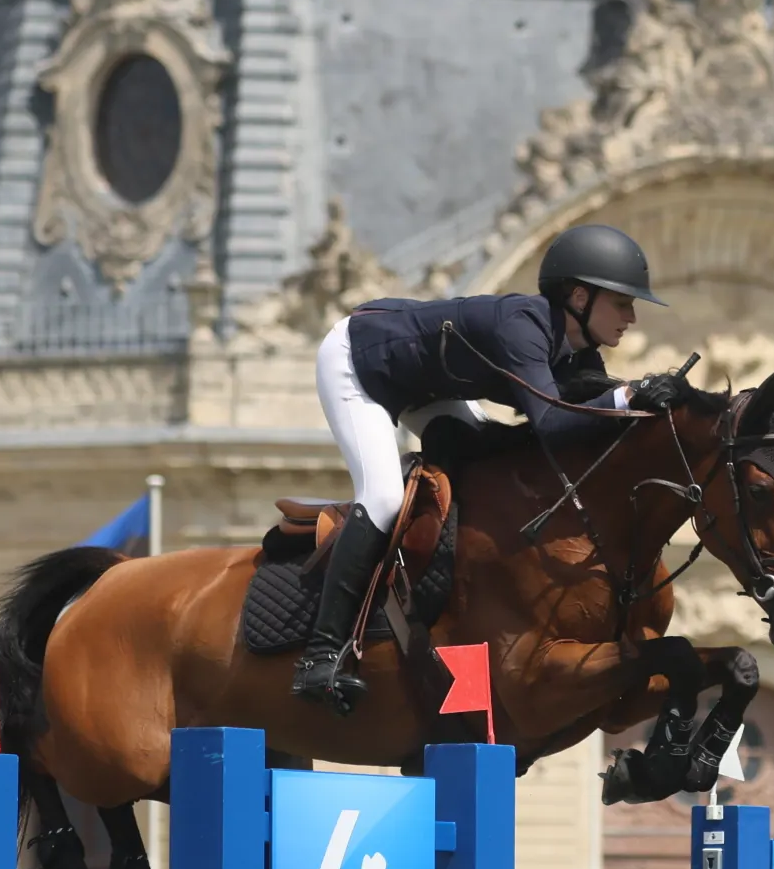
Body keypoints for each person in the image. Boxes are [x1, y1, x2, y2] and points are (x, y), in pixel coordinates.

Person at [294, 223, 687, 713]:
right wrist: (628, 396)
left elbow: (590, 410)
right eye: (623, 302)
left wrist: (646, 395)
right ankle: (322, 655)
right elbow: (551, 424)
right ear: (580, 296)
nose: (632, 316)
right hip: (360, 366)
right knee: (384, 497)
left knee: (484, 457)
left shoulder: (576, 349)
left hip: (427, 387)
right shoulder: (521, 326)